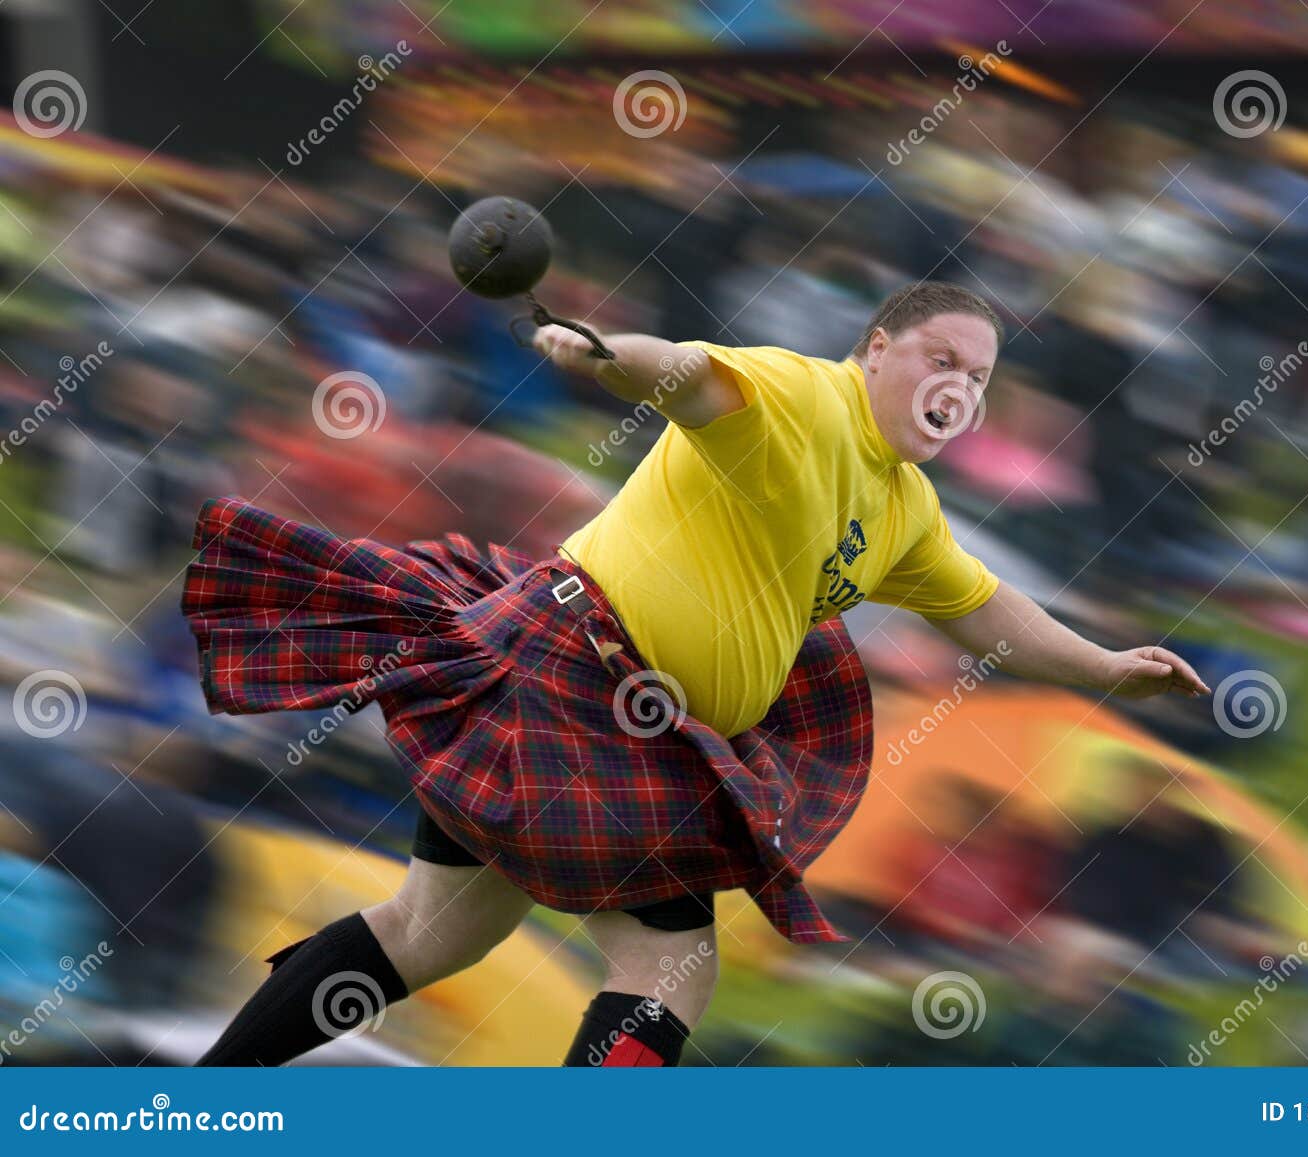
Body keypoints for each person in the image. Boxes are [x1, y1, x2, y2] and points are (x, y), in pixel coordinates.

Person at [180, 281, 1209, 1067]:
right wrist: (602, 356)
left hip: (601, 696)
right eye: (943, 357)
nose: (959, 388)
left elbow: (985, 605)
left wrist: (1105, 667)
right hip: (579, 678)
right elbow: (683, 374)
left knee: (434, 928)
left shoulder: (902, 506)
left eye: (978, 377)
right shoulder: (803, 396)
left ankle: (202, 1102)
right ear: (879, 348)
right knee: (669, 962)